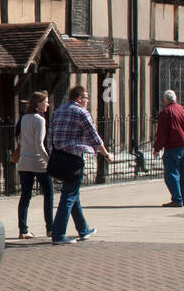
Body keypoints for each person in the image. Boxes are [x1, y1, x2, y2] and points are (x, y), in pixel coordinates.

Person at [46, 84, 113, 244]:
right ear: (79, 98)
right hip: (73, 158)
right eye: (86, 98)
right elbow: (94, 137)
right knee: (68, 196)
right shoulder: (81, 112)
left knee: (72, 193)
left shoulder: (58, 111)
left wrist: (51, 154)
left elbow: (50, 136)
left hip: (58, 156)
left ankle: (83, 229)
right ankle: (58, 234)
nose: (87, 101)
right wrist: (106, 154)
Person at [14, 91, 53, 238]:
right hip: (39, 162)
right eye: (45, 101)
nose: (47, 104)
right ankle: (50, 228)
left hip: (24, 161)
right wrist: (49, 161)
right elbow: (39, 145)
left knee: (25, 196)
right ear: (38, 103)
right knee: (48, 195)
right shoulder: (40, 120)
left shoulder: (24, 118)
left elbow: (20, 139)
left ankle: (23, 230)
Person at [152, 89, 184, 206]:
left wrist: (157, 148)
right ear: (175, 98)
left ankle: (177, 199)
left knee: (171, 174)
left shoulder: (166, 113)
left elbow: (162, 133)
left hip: (173, 147)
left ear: (165, 100)